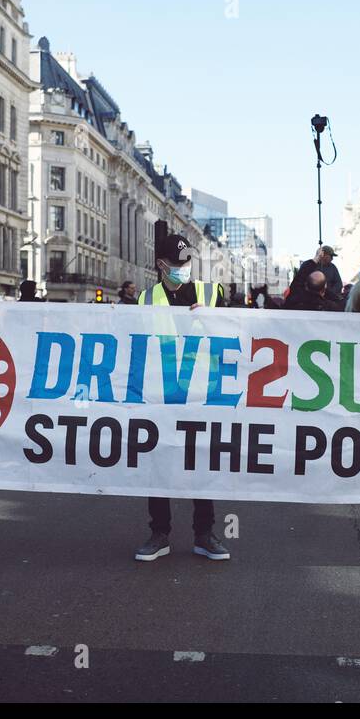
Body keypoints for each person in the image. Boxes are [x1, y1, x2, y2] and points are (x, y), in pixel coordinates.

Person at [135, 233, 230, 562]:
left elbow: (237, 336)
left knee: (200, 463)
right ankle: (159, 533)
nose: (185, 267)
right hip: (160, 393)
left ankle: (205, 534)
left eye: (188, 260)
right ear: (162, 265)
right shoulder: (146, 300)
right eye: (178, 262)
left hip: (201, 394)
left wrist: (213, 320)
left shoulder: (211, 293)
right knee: (158, 463)